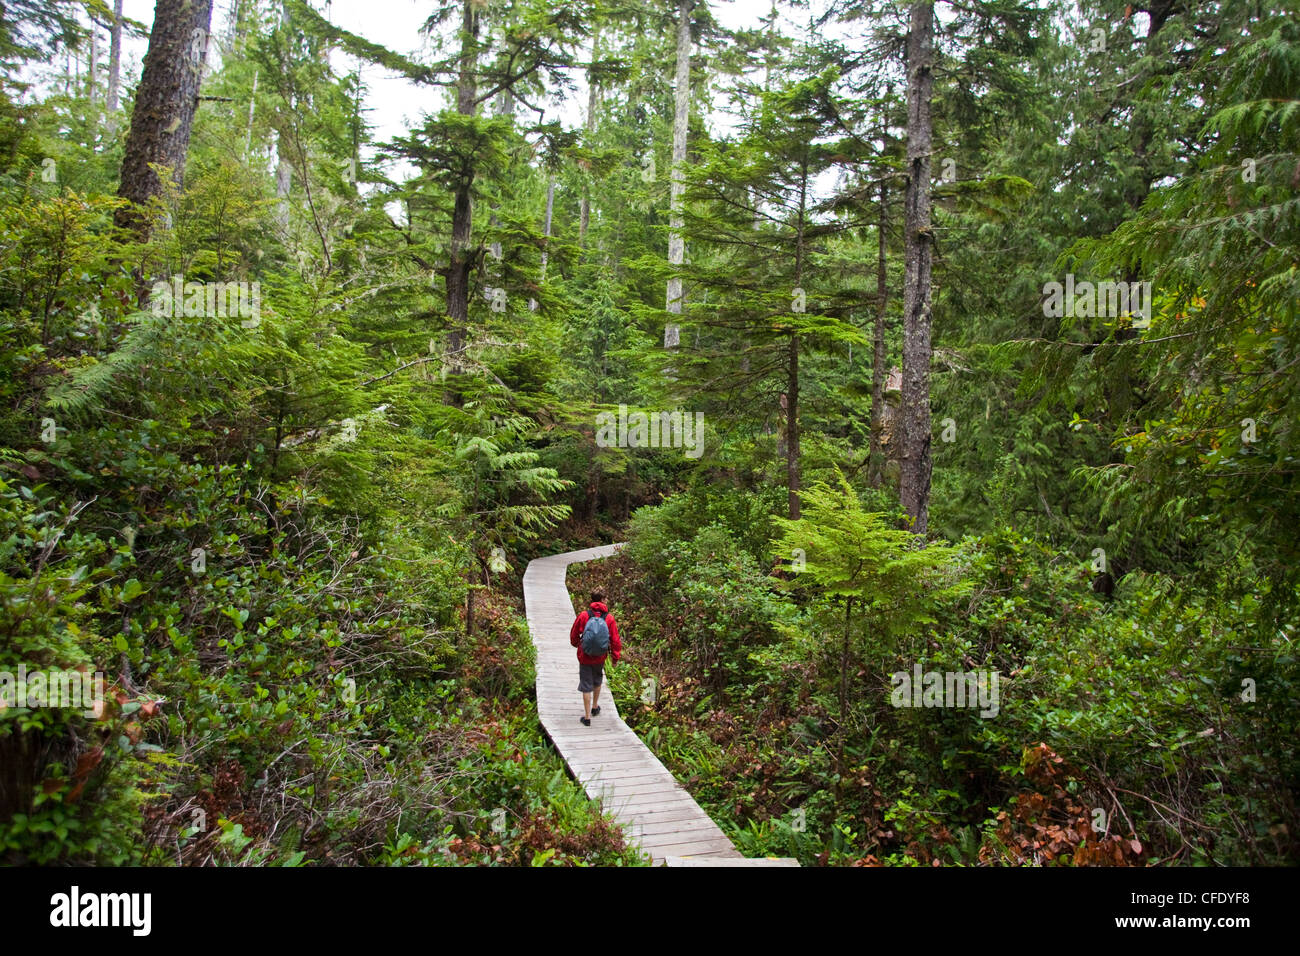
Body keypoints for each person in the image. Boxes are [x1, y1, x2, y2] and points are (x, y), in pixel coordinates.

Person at [570, 591, 621, 726]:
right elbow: (615, 640)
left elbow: (574, 634)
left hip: (585, 655)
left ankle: (587, 718)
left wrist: (577, 644)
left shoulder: (584, 615)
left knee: (586, 684)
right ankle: (595, 707)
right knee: (597, 679)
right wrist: (615, 658)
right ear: (603, 600)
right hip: (600, 656)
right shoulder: (609, 618)